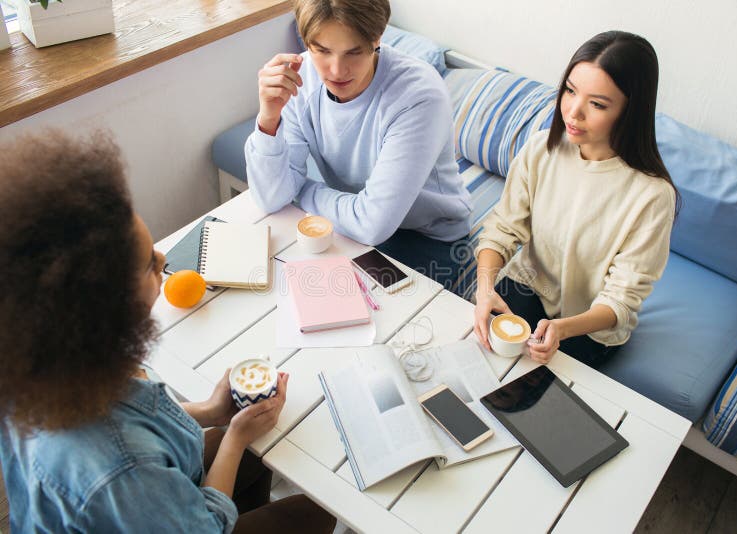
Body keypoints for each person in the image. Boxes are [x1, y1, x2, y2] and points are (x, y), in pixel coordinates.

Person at [0, 130, 336, 534]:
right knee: (312, 512)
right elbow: (201, 524)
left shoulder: (46, 367)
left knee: (255, 453)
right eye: (149, 264)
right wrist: (233, 438)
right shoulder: (122, 468)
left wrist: (212, 413)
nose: (164, 257)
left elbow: (144, 427)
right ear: (103, 309)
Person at [473, 31, 680, 367]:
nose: (573, 111)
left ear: (630, 111)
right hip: (528, 286)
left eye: (597, 104)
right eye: (570, 90)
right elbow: (502, 229)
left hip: (588, 324)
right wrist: (484, 288)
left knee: (531, 402)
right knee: (472, 359)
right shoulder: (542, 148)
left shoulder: (652, 196)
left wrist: (561, 329)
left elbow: (620, 301)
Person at [245, 0, 472, 289]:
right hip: (349, 220)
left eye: (353, 52)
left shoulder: (418, 96)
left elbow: (371, 224)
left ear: (377, 38)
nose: (337, 70)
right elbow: (271, 198)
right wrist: (268, 117)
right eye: (322, 50)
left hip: (427, 237)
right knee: (286, 292)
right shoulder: (300, 80)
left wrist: (301, 190)